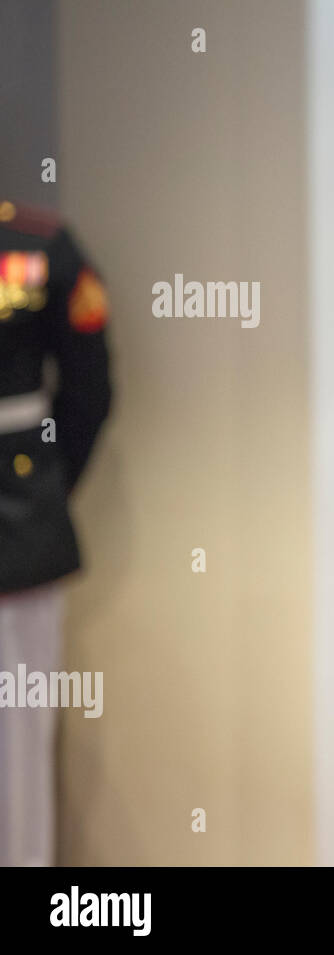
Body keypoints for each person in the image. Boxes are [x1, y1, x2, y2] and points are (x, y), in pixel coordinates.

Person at [0, 198, 112, 866]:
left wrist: (45, 489)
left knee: (16, 745)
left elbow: (88, 390)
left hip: (15, 526)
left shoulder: (35, 246)